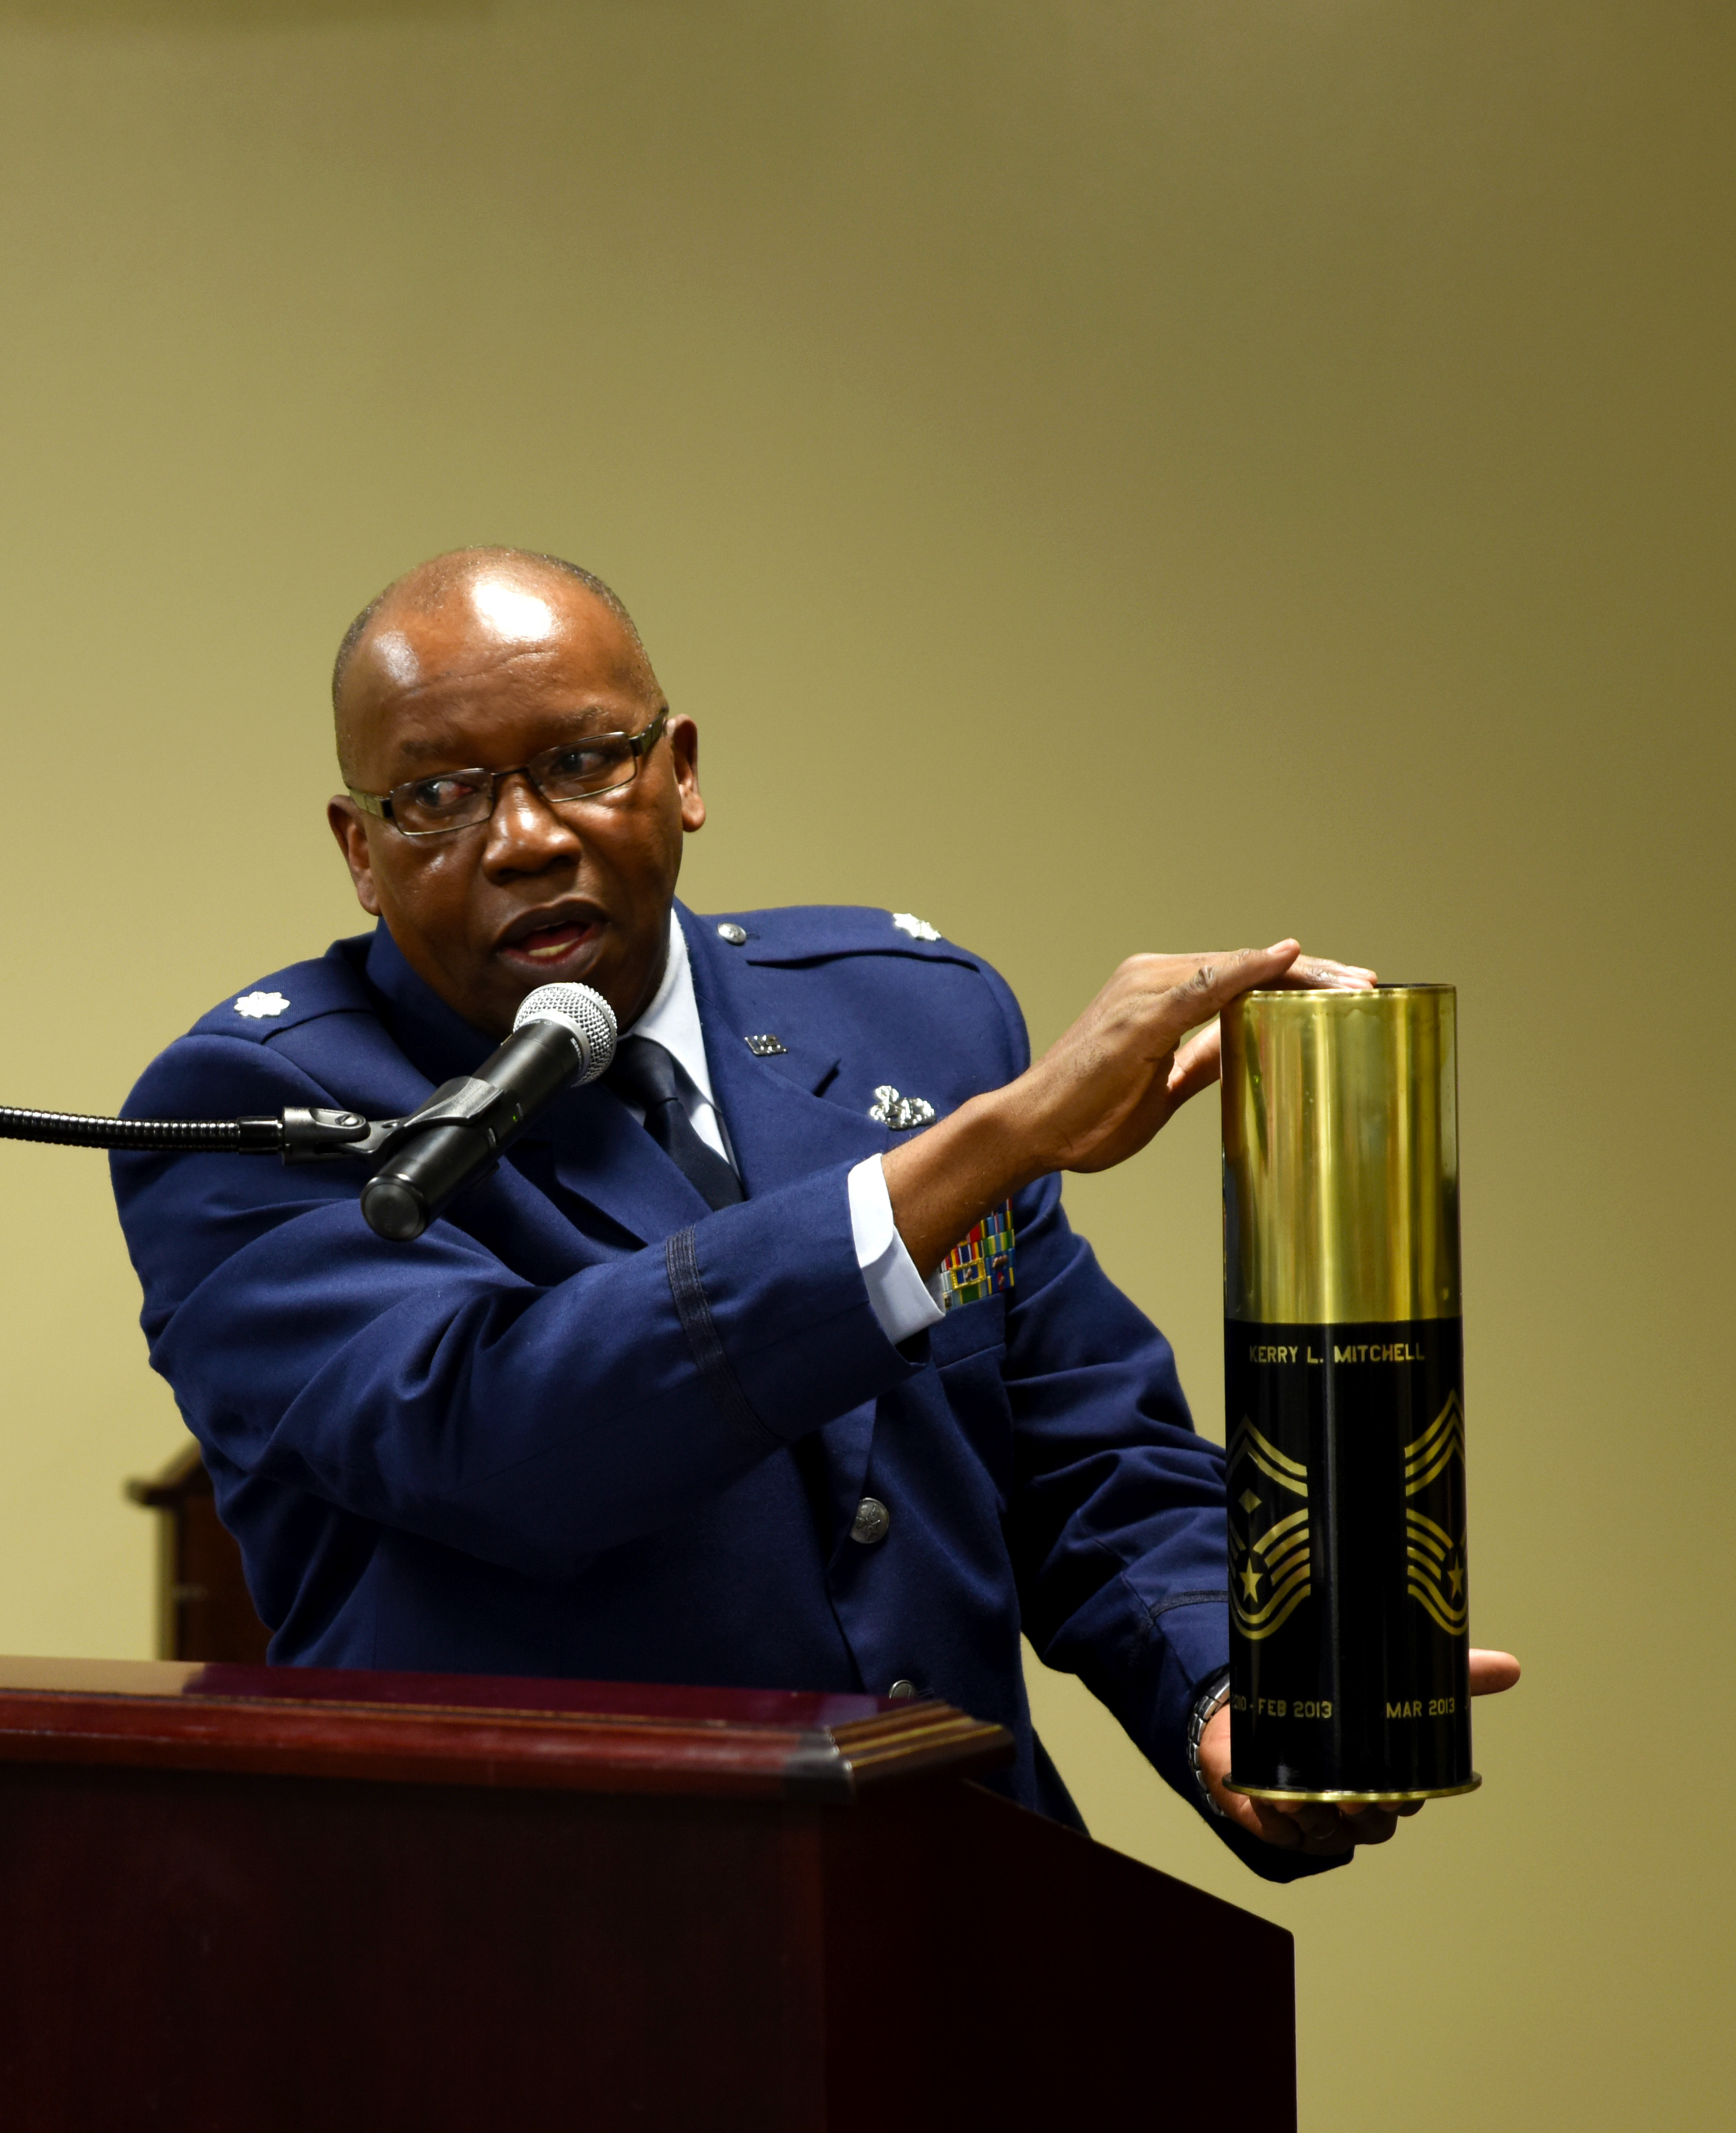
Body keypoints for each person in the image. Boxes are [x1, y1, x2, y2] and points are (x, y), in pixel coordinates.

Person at [110, 548, 1514, 1875]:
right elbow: (498, 1440)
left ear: (681, 771)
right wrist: (984, 1152)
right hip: (542, 1971)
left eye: (583, 761)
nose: (524, 838)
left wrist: (1231, 1683)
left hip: (953, 1936)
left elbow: (1086, 1456)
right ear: (360, 849)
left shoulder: (904, 1015)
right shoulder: (250, 1104)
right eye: (438, 796)